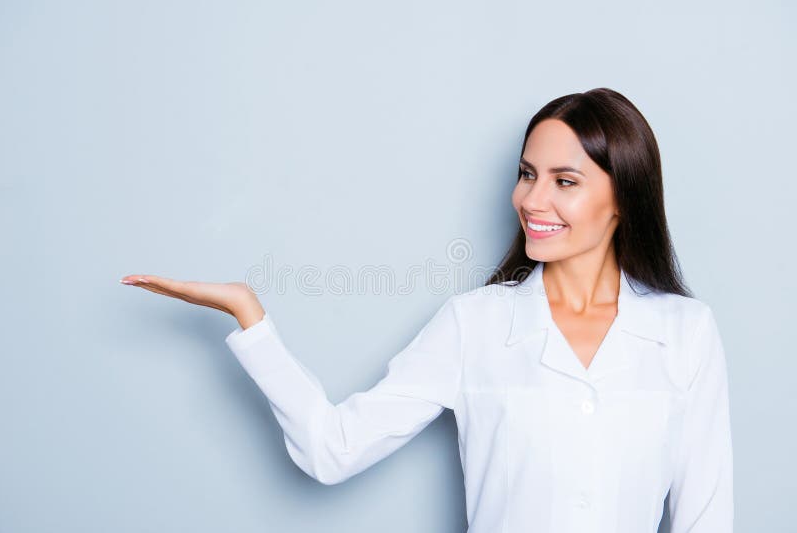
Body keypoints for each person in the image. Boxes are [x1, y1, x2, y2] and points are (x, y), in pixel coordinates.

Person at [120, 87, 733, 532]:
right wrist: (250, 318)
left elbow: (706, 517)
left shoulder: (685, 333)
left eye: (564, 181)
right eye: (526, 174)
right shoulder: (476, 324)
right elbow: (332, 450)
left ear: (623, 197)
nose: (532, 198)